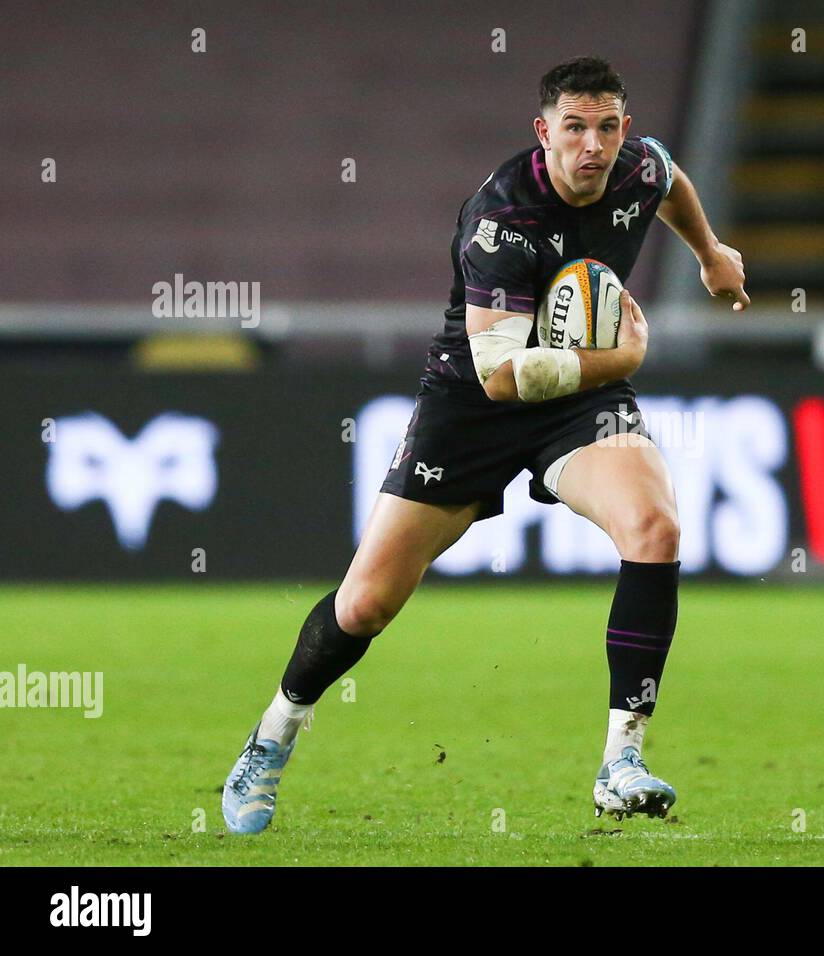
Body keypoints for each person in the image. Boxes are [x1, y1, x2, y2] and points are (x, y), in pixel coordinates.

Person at [222, 55, 748, 833]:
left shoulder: (638, 166)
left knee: (656, 529)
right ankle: (273, 735)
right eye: (574, 128)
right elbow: (504, 378)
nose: (593, 145)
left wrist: (709, 253)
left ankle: (621, 760)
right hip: (472, 403)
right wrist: (628, 359)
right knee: (365, 604)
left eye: (607, 126)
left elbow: (671, 179)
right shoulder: (504, 218)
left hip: (581, 400)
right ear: (545, 133)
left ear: (624, 128)